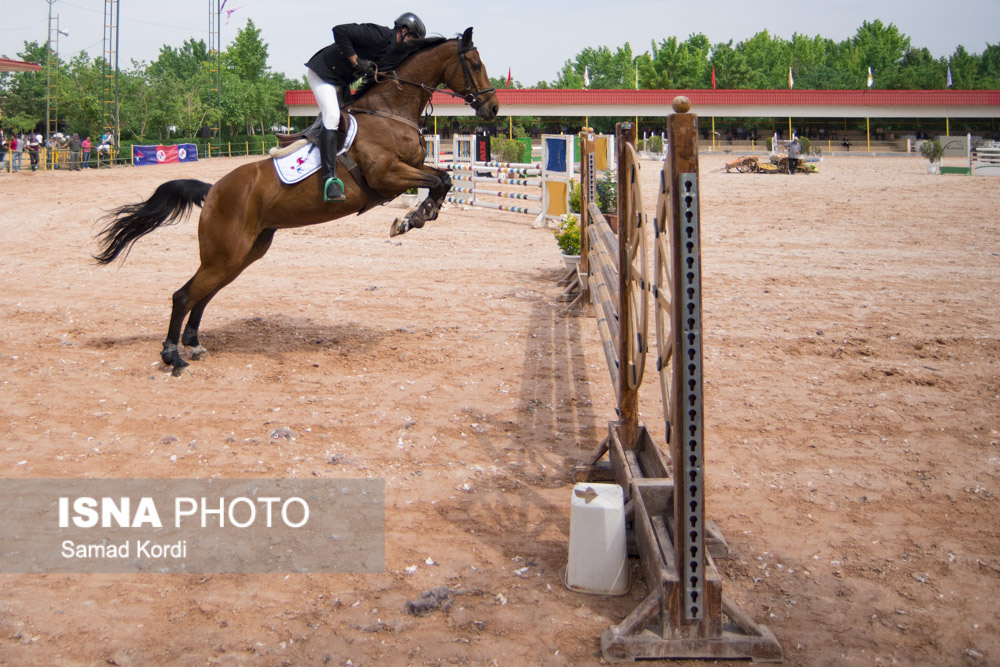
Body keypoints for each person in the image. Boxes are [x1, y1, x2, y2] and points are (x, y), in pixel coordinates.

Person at [305, 12, 426, 202]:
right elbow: (339, 31)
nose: (410, 43)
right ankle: (329, 180)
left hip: (341, 82)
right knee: (333, 117)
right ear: (403, 31)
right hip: (323, 75)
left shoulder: (392, 52)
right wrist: (356, 60)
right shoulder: (379, 35)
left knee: (354, 121)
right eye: (411, 38)